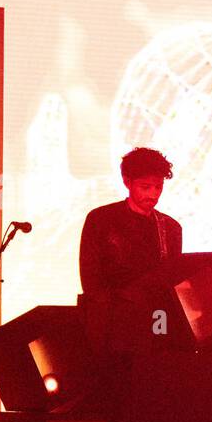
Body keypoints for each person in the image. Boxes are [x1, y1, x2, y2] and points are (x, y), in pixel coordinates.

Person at [78, 147, 183, 356]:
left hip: (156, 321)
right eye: (145, 187)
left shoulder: (170, 228)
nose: (153, 194)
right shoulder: (100, 219)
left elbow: (173, 280)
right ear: (127, 182)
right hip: (110, 322)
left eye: (158, 187)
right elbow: (90, 278)